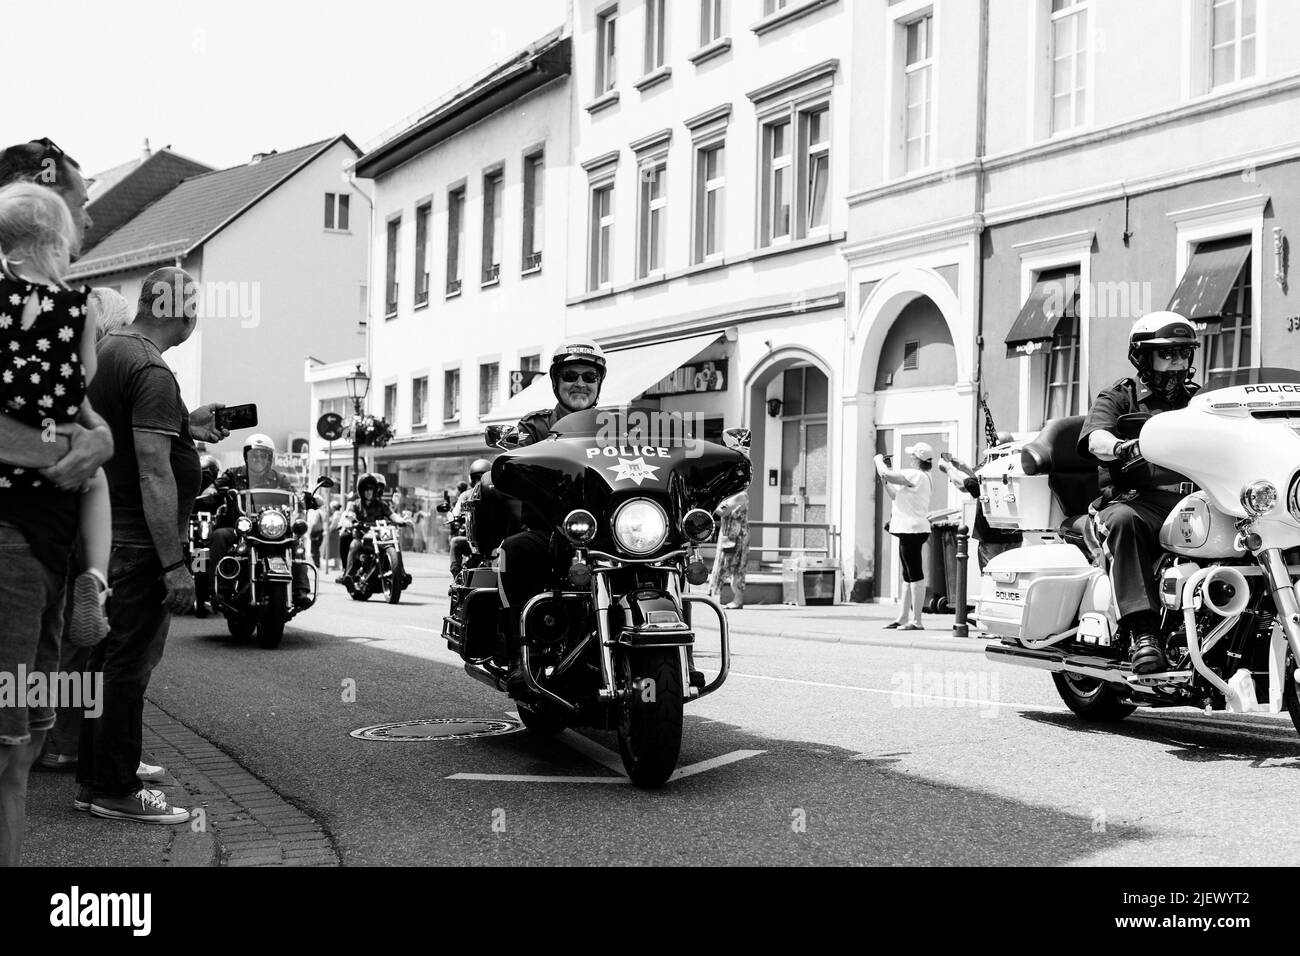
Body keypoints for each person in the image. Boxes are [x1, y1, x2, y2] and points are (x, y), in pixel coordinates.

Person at [79, 266, 229, 824]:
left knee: (102, 661)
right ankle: (115, 789)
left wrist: (185, 427)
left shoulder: (111, 350)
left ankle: (93, 779)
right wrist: (174, 564)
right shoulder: (149, 366)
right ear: (182, 311)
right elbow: (152, 472)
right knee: (128, 666)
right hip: (139, 543)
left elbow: (122, 435)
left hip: (102, 532)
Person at [0, 181, 114, 863]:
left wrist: (89, 439)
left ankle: (91, 581)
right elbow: (82, 413)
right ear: (56, 244)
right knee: (11, 747)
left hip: (44, 550)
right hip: (18, 547)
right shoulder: (80, 312)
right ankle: (95, 578)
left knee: (21, 743)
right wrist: (69, 443)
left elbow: (93, 431)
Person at [1078, 311, 1201, 675]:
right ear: (1143, 357)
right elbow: (1095, 438)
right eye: (1168, 353)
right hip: (1138, 501)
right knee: (1124, 521)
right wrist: (1118, 447)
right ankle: (1142, 632)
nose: (1178, 362)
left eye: (1183, 353)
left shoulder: (1200, 402)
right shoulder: (1120, 397)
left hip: (1195, 501)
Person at [489, 341, 607, 686]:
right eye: (571, 375)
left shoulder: (617, 428)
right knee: (515, 550)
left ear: (599, 383)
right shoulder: (535, 428)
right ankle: (518, 655)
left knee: (664, 557)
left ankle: (677, 655)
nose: (580, 383)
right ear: (556, 381)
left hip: (605, 534)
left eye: (590, 376)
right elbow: (511, 464)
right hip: (551, 531)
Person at [204, 434, 311, 610]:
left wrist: (307, 499)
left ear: (270, 458)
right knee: (220, 536)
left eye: (263, 455)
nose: (258, 459)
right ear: (246, 456)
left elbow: (295, 495)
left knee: (295, 541)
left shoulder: (279, 478)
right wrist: (211, 490)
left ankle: (300, 590)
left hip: (271, 529)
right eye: (255, 455)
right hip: (240, 529)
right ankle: (220, 591)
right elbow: (216, 485)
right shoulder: (233, 474)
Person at [874, 443, 935, 630]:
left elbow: (885, 474)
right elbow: (895, 495)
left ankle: (917, 620)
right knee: (907, 575)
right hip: (909, 529)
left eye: (912, 456)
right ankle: (902, 617)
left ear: (917, 459)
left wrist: (878, 461)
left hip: (912, 530)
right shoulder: (920, 476)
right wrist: (886, 480)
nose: (910, 459)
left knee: (914, 575)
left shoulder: (916, 475)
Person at [339, 473, 396, 586]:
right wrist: (348, 522)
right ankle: (348, 574)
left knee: (394, 543)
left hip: (381, 534)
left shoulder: (382, 504)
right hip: (362, 534)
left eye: (376, 488)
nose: (372, 491)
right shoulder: (356, 502)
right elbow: (348, 515)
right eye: (367, 488)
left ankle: (399, 574)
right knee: (350, 541)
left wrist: (401, 521)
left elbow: (392, 515)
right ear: (362, 490)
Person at [449, 460, 491, 579]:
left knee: (455, 542)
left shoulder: (466, 495)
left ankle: (457, 576)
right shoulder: (500, 494)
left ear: (471, 478)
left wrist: (453, 517)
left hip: (476, 543)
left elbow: (455, 513)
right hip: (498, 543)